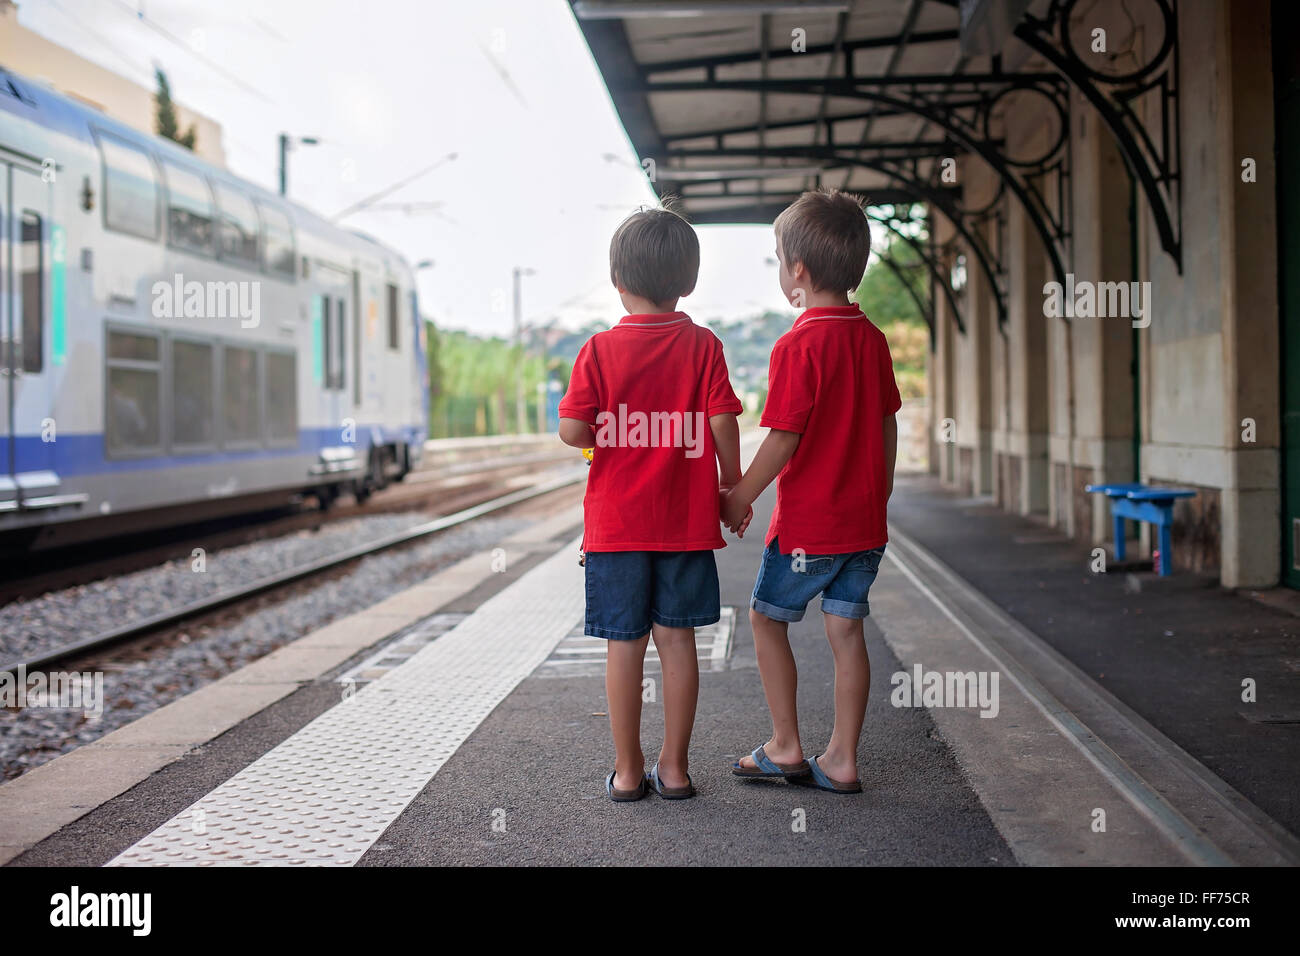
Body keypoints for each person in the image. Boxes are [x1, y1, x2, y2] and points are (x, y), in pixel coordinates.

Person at [558, 205, 745, 802]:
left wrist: (601, 440)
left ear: (618, 283)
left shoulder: (598, 350)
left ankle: (629, 770)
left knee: (624, 645)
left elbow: (571, 430)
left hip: (616, 528)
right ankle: (676, 769)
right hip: (685, 528)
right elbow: (722, 421)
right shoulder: (704, 346)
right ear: (687, 283)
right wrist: (731, 484)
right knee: (678, 642)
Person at [721, 188, 900, 795]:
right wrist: (883, 488)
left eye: (777, 258)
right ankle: (843, 758)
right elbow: (885, 422)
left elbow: (782, 438)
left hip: (811, 529)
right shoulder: (871, 339)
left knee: (767, 619)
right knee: (846, 631)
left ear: (796, 270)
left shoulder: (798, 344)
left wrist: (741, 493)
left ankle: (786, 744)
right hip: (863, 525)